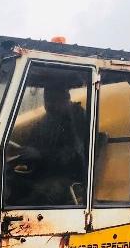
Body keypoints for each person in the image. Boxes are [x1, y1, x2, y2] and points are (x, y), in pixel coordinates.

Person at [5, 77, 89, 206]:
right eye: (47, 100)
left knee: (31, 200)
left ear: (66, 98)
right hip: (44, 172)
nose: (48, 105)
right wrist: (21, 153)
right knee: (7, 182)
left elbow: (74, 154)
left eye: (53, 100)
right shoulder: (48, 120)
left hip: (68, 176)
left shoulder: (76, 118)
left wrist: (40, 154)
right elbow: (33, 143)